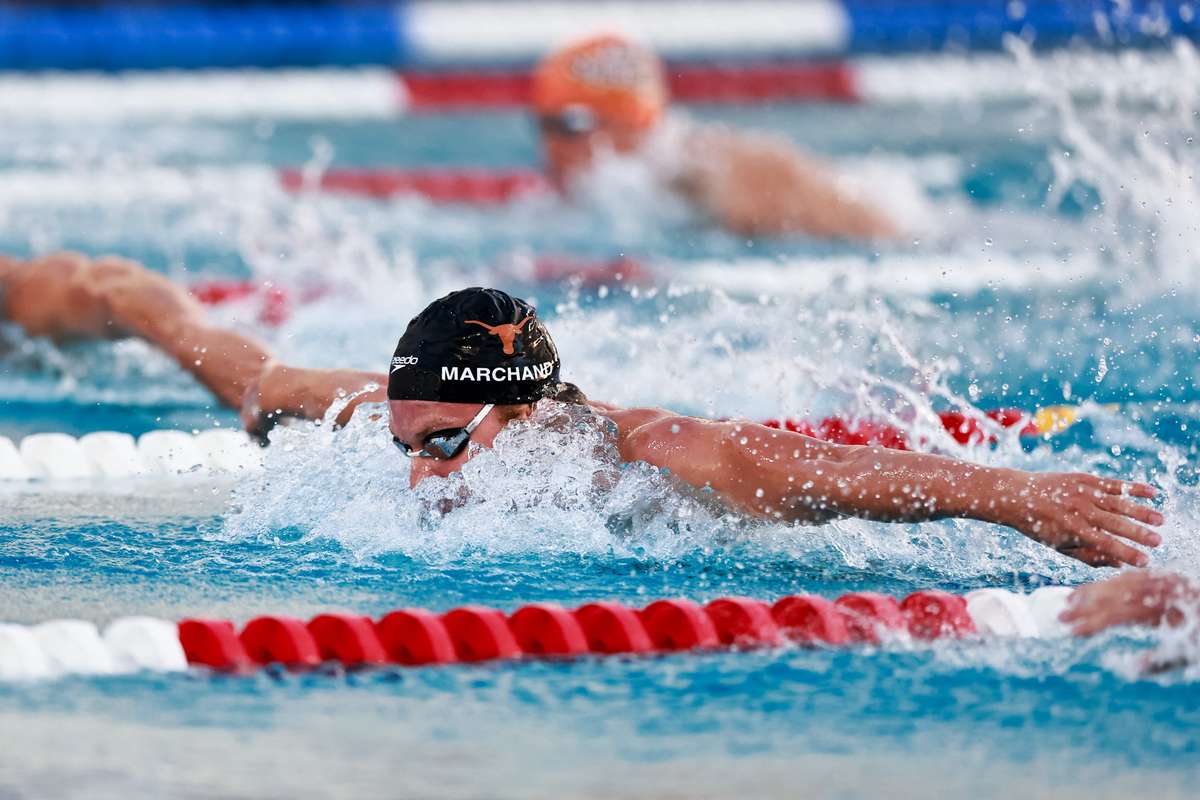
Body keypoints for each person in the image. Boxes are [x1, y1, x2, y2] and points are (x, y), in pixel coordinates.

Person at [0, 251, 1166, 572]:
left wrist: (1021, 494)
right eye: (411, 444)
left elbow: (804, 467)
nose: (421, 478)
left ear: (529, 416)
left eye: (448, 445)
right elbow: (200, 338)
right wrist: (91, 294)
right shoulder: (367, 421)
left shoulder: (640, 454)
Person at [530, 33, 899, 240]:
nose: (547, 146)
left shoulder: (705, 166)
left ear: (612, 125)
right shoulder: (640, 187)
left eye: (560, 127)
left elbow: (881, 229)